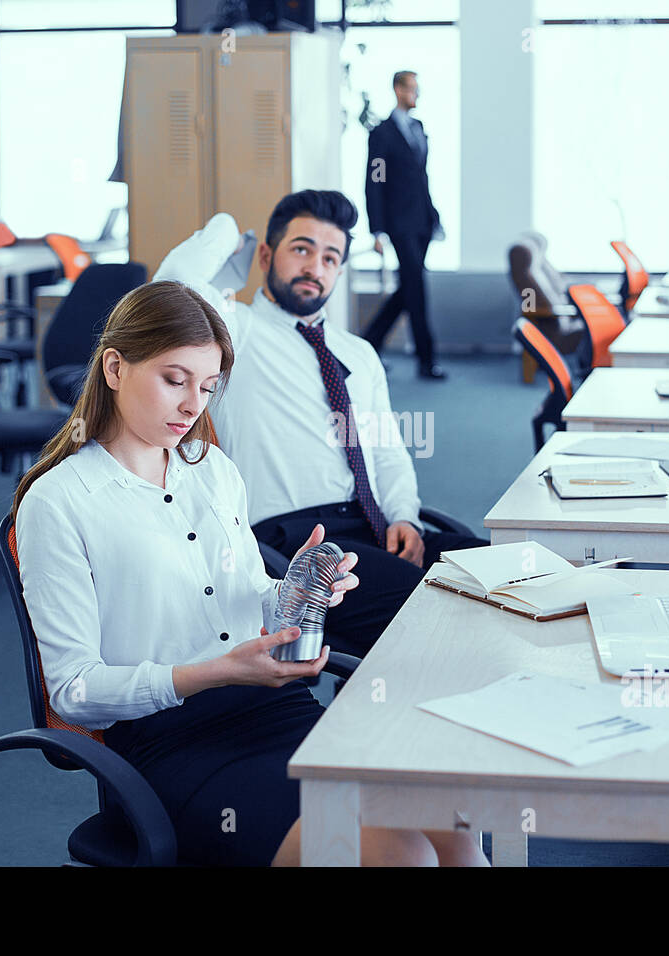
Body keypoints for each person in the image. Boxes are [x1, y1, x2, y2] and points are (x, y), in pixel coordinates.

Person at [12, 281, 486, 867]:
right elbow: (74, 693)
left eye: (207, 387)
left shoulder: (212, 469)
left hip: (275, 709)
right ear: (114, 368)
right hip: (173, 744)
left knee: (456, 830)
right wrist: (215, 671)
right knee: (401, 855)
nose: (193, 405)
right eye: (175, 380)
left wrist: (297, 592)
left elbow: (247, 596)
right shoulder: (59, 500)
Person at [154, 190, 488, 660]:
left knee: (508, 573)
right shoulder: (234, 332)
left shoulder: (359, 353)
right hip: (296, 543)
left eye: (330, 258)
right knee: (437, 607)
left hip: (373, 528)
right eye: (301, 249)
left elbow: (387, 451)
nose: (315, 267)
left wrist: (405, 518)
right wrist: (227, 229)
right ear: (266, 256)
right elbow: (173, 285)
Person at [362, 70, 446, 380]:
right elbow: (375, 181)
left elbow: (422, 178)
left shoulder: (418, 127)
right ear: (398, 90)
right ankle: (427, 360)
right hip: (398, 223)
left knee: (409, 287)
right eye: (412, 88)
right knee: (416, 286)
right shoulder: (382, 133)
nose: (417, 94)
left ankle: (368, 346)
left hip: (422, 221)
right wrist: (377, 228)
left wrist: (434, 216)